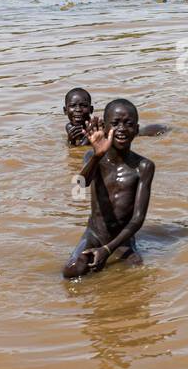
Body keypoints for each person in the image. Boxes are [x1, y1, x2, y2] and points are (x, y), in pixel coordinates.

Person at [64, 101, 155, 279]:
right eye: (115, 124)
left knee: (137, 278)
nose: (121, 129)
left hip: (123, 239)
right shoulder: (93, 157)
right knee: (72, 271)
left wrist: (107, 250)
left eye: (128, 124)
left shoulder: (144, 167)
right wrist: (97, 155)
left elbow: (137, 219)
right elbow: (80, 185)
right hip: (94, 233)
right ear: (104, 128)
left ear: (136, 130)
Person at [64, 87, 167, 146]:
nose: (78, 110)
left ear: (91, 110)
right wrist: (70, 140)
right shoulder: (70, 128)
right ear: (65, 110)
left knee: (142, 133)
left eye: (83, 106)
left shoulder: (96, 126)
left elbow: (82, 147)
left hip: (134, 134)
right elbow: (80, 147)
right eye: (73, 106)